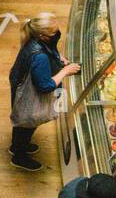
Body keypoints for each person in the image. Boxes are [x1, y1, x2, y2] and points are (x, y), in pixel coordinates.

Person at [8, 12, 79, 172]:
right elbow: (45, 85)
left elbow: (50, 50)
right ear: (43, 35)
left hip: (20, 89)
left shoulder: (33, 41)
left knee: (22, 123)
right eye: (54, 32)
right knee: (28, 123)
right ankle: (19, 156)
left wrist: (58, 58)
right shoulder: (40, 57)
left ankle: (17, 145)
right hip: (30, 98)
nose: (57, 33)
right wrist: (65, 71)